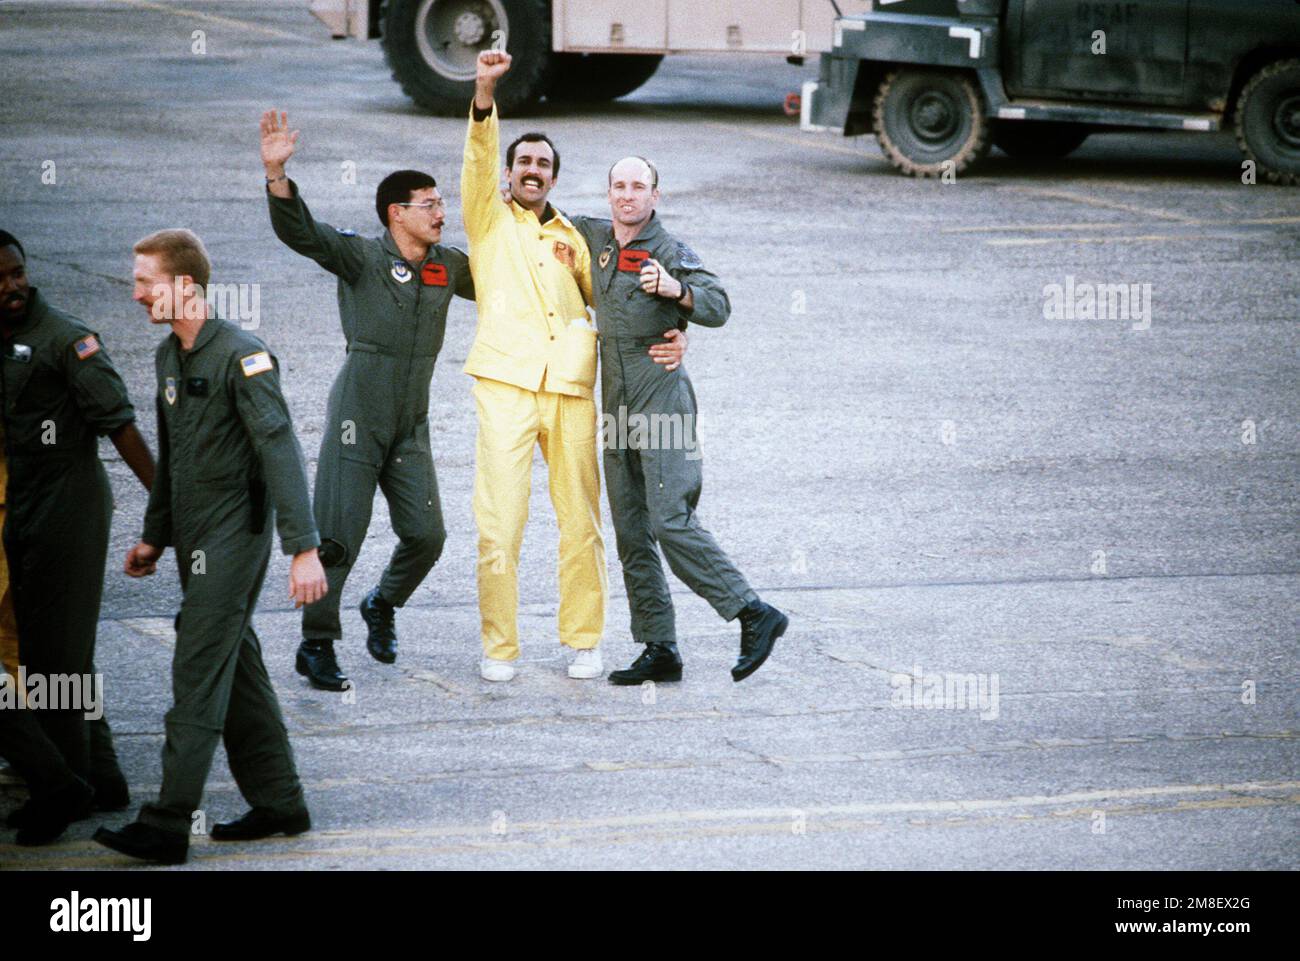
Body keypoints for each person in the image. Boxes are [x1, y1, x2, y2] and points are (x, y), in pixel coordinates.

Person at [93, 229, 326, 864]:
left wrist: (302, 548)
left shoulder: (243, 356)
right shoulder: (170, 357)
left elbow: (280, 447)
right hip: (193, 537)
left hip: (235, 537)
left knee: (196, 663)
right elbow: (172, 461)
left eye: (146, 282)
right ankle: (281, 802)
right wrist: (154, 535)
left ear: (186, 286)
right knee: (233, 661)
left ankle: (168, 822)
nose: (136, 294)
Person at [463, 50, 685, 682]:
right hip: (504, 386)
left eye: (543, 165)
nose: (531, 170)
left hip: (569, 389)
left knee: (580, 522)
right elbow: (477, 156)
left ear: (554, 179)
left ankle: (584, 639)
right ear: (507, 173)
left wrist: (676, 332)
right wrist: (486, 90)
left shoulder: (575, 237)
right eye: (523, 162)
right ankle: (499, 647)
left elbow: (615, 301)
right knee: (499, 526)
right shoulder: (486, 218)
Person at [262, 111, 475, 691]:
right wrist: (278, 174)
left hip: (411, 424)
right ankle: (317, 645)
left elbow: (510, 292)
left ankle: (382, 603)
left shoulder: (448, 266)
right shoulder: (360, 258)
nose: (440, 212)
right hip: (358, 416)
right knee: (337, 539)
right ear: (396, 213)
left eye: (440, 202)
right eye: (427, 203)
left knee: (428, 536)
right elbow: (302, 233)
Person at [570, 158, 790, 684]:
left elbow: (719, 304)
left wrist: (677, 293)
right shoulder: (594, 236)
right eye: (619, 186)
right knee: (631, 530)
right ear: (608, 195)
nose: (628, 195)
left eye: (638, 187)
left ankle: (752, 612)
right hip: (615, 405)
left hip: (661, 401)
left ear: (656, 196)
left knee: (671, 518)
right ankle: (659, 646)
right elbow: (539, 216)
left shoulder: (671, 252)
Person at [0, 230, 154, 815]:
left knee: (54, 662)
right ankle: (103, 778)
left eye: (17, 272)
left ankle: (60, 792)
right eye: (0, 280)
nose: (13, 286)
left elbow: (121, 427)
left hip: (71, 508)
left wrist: (165, 513)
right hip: (27, 509)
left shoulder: (67, 339)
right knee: (60, 655)